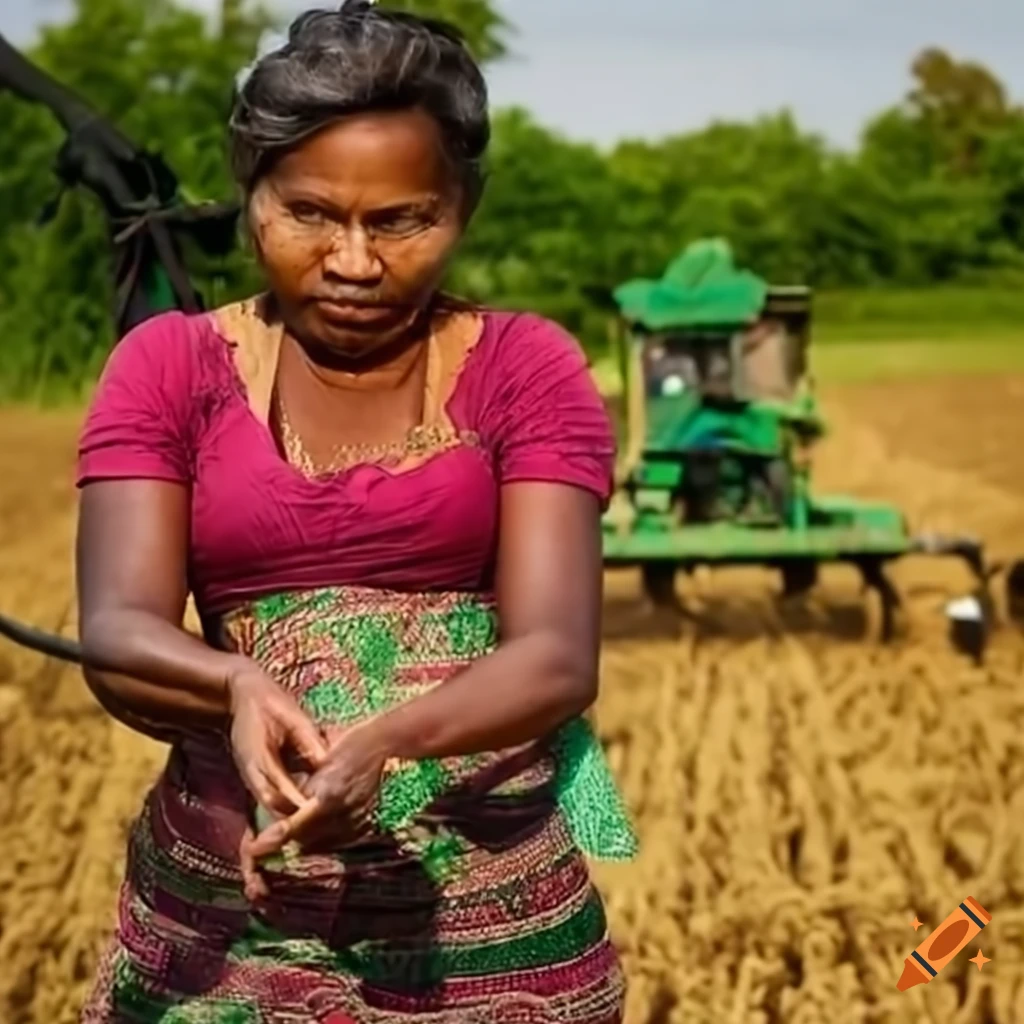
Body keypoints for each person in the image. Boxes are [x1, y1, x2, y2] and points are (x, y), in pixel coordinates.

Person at [75, 3, 637, 1021]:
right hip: (225, 916)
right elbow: (117, 632)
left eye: (399, 221)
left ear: (463, 205)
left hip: (488, 935)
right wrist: (235, 682)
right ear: (251, 196)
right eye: (309, 214)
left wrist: (383, 742)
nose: (352, 263)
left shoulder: (525, 367)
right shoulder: (168, 368)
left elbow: (556, 655)